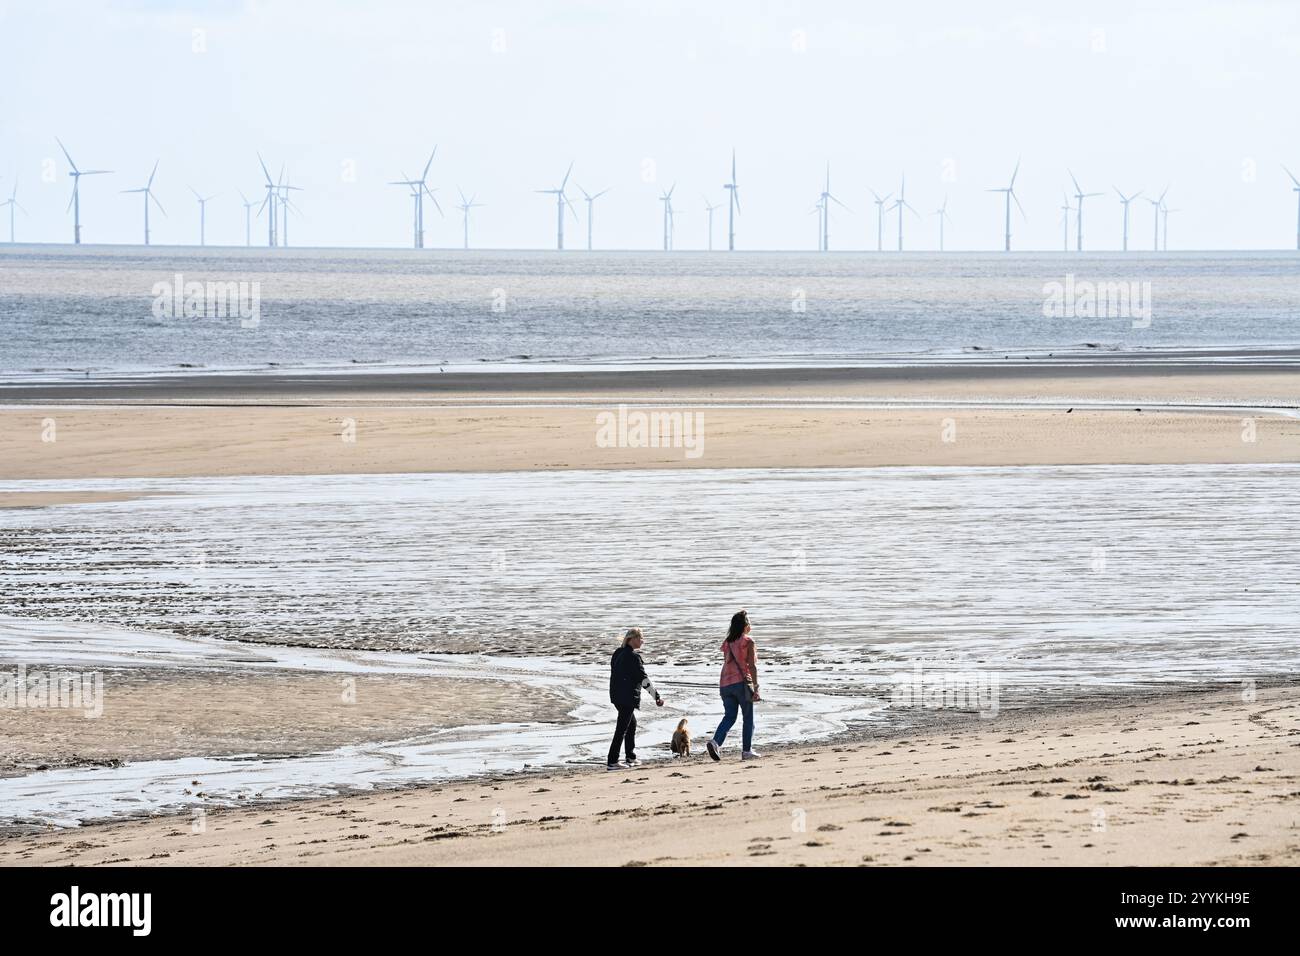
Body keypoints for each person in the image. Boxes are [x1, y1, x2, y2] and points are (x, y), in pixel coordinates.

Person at [706, 609, 760, 761]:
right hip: (741, 683)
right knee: (748, 718)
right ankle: (746, 751)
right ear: (745, 626)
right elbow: (751, 666)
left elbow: (727, 661)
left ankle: (715, 742)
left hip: (725, 684)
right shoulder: (748, 642)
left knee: (729, 716)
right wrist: (755, 687)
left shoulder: (727, 642)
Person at [607, 627, 663, 770]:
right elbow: (643, 679)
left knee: (631, 724)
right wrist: (656, 696)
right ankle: (612, 761)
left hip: (616, 696)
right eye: (640, 638)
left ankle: (630, 757)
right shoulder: (633, 657)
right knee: (622, 729)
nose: (642, 641)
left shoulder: (617, 653)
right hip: (627, 697)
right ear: (631, 639)